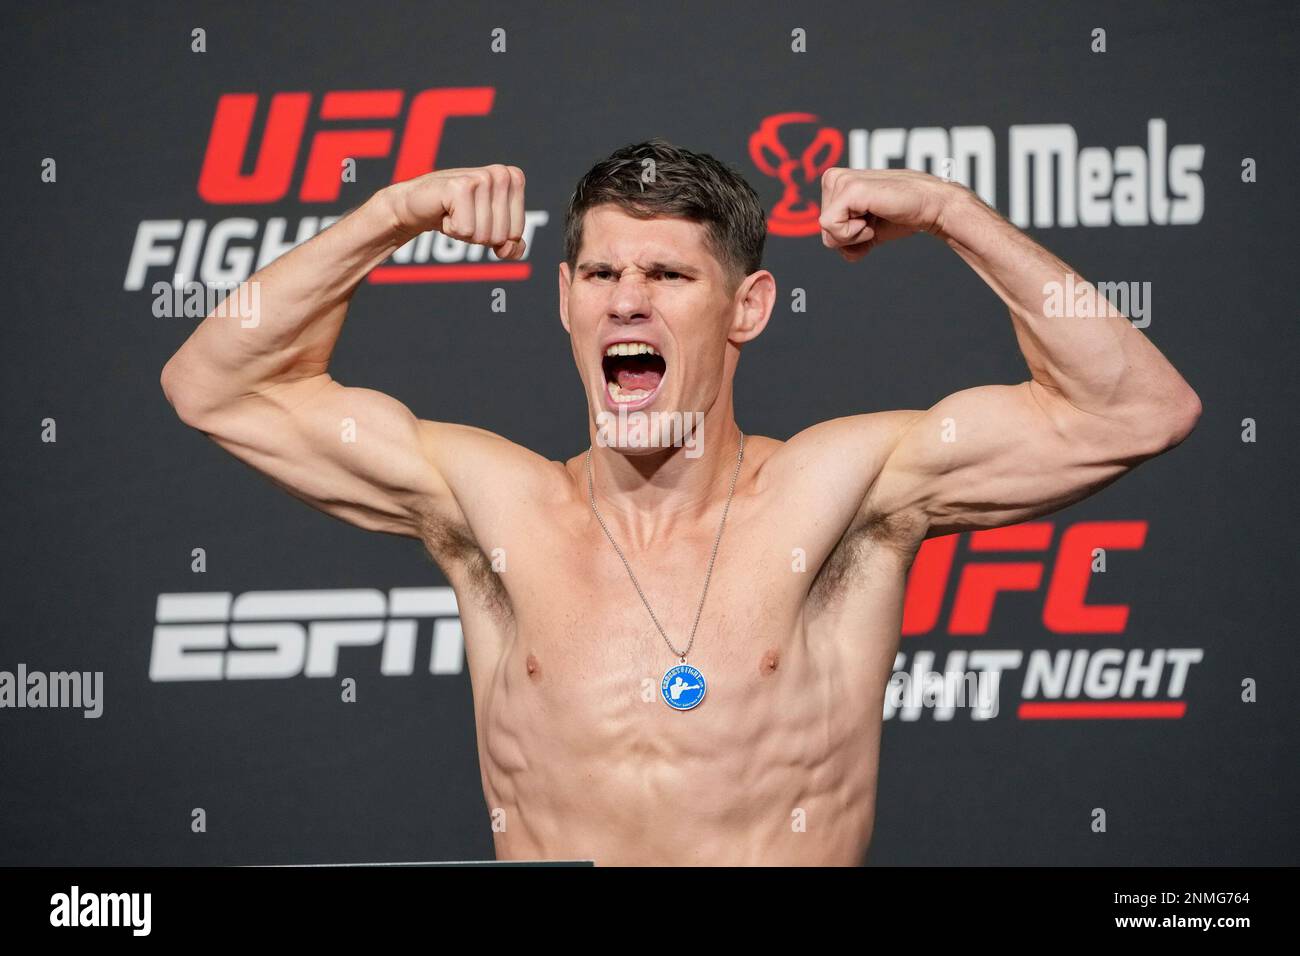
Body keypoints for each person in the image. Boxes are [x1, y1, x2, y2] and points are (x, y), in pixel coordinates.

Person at [160, 140, 1200, 865]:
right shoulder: (492, 505)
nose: (627, 298)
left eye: (667, 274)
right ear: (564, 299)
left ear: (745, 306)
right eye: (602, 271)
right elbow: (215, 386)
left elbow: (1131, 411)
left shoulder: (841, 492)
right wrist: (392, 216)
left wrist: (952, 214)